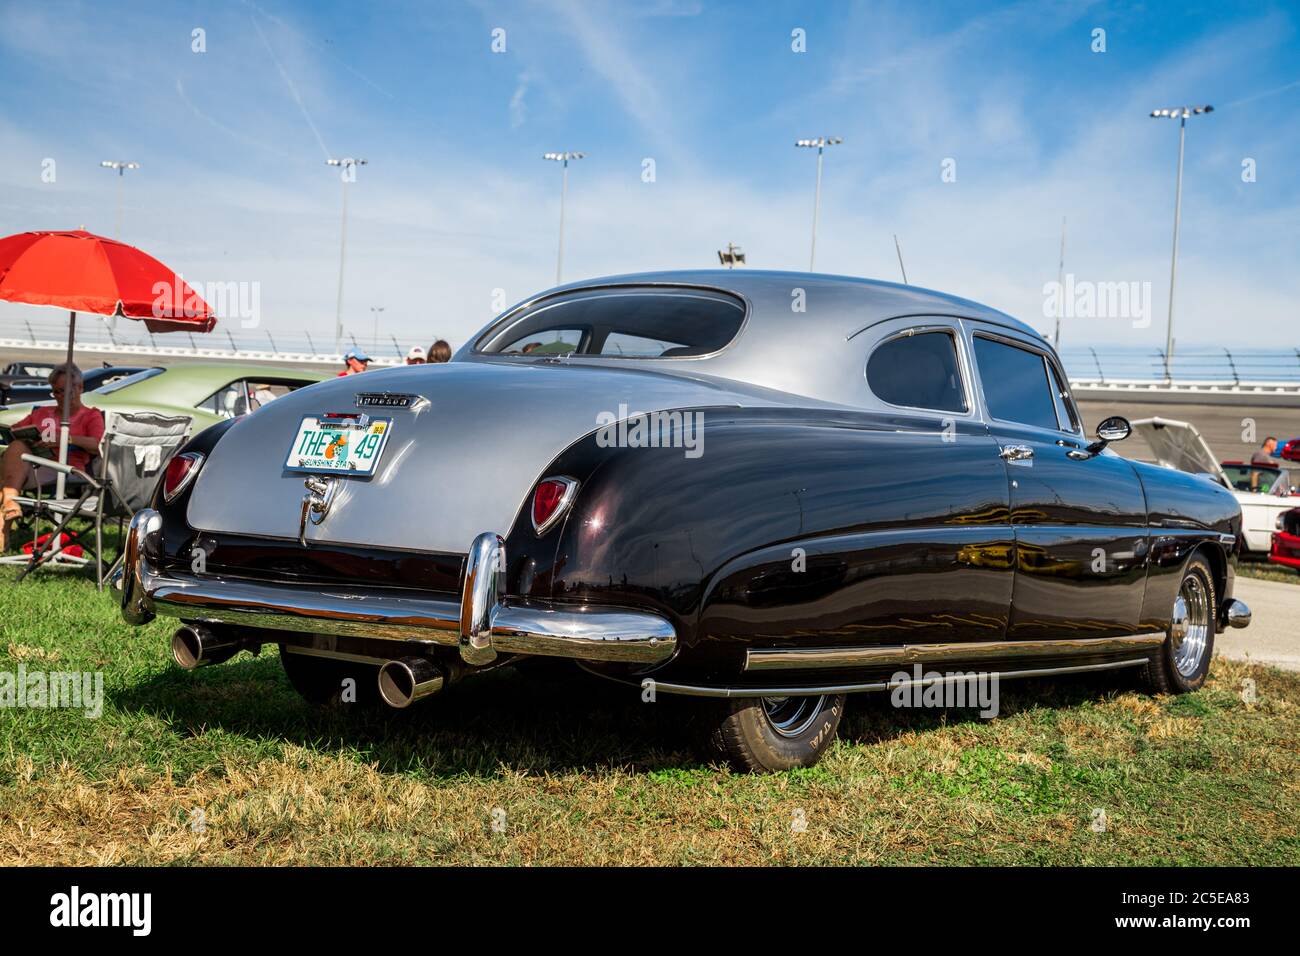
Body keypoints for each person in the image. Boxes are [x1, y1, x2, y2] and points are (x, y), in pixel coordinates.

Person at [1, 363, 105, 550]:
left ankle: (8, 512)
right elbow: (14, 430)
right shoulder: (41, 413)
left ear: (79, 388)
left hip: (65, 468)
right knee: (17, 446)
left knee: (7, 475)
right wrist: (31, 439)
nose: (59, 396)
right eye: (56, 392)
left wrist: (65, 438)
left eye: (64, 391)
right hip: (32, 465)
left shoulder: (91, 415)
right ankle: (10, 503)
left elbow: (97, 445)